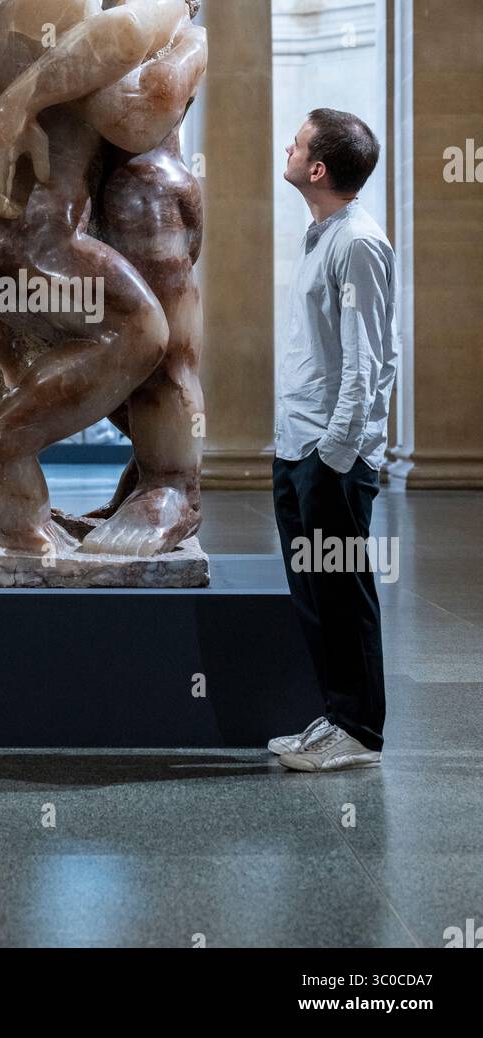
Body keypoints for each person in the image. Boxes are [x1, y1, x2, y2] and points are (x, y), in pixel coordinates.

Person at [270, 108, 398, 772]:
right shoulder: (322, 235)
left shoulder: (357, 244)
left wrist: (333, 459)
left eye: (295, 145)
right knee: (314, 596)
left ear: (317, 169)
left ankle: (360, 732)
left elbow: (367, 363)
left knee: (343, 594)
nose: (285, 150)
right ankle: (336, 717)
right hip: (298, 448)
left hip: (330, 459)